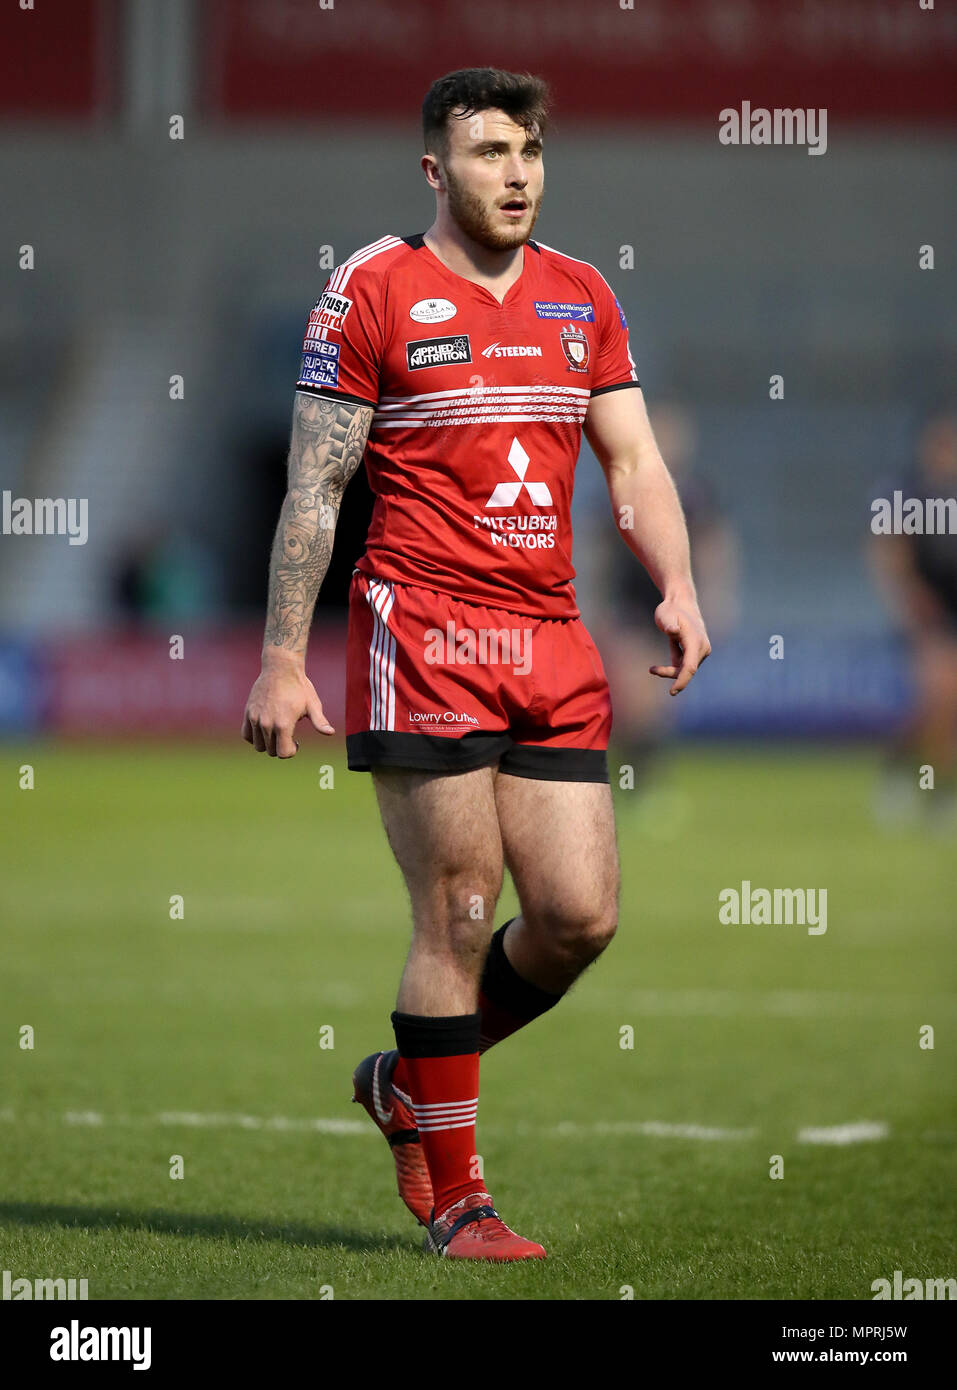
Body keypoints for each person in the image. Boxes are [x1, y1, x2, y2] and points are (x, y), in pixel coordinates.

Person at [241, 67, 710, 1261]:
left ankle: (408, 1080)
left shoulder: (582, 296)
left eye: (532, 151)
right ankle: (459, 1196)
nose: (517, 174)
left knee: (579, 918)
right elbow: (316, 487)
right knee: (458, 908)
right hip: (425, 633)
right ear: (435, 169)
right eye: (492, 151)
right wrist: (283, 657)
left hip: (550, 637)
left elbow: (637, 464)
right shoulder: (371, 291)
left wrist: (679, 584)